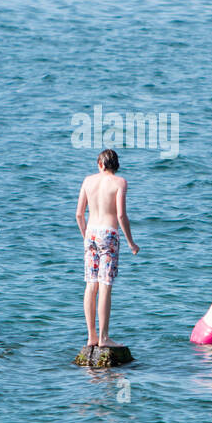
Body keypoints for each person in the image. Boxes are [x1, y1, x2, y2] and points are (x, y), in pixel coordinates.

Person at [76, 149, 139, 349]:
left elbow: (79, 214)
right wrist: (131, 243)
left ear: (101, 164)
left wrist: (85, 236)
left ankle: (91, 336)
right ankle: (104, 338)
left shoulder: (88, 181)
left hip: (91, 234)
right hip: (109, 234)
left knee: (90, 285)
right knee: (105, 285)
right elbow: (121, 216)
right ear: (115, 165)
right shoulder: (120, 183)